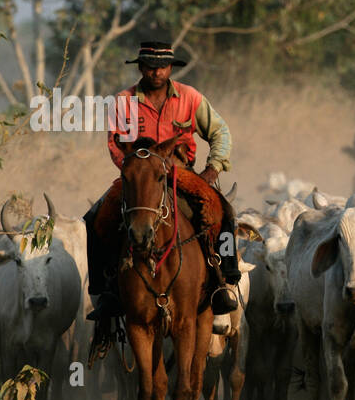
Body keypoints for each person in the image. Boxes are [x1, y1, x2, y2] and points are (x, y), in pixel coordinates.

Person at [84, 40, 241, 335]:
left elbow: (219, 131)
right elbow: (115, 144)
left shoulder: (190, 97)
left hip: (182, 174)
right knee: (95, 217)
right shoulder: (123, 101)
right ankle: (105, 290)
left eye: (162, 67)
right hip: (139, 177)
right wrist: (136, 172)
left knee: (224, 210)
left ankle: (224, 281)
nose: (156, 72)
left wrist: (213, 168)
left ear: (170, 68)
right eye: (151, 67)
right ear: (141, 67)